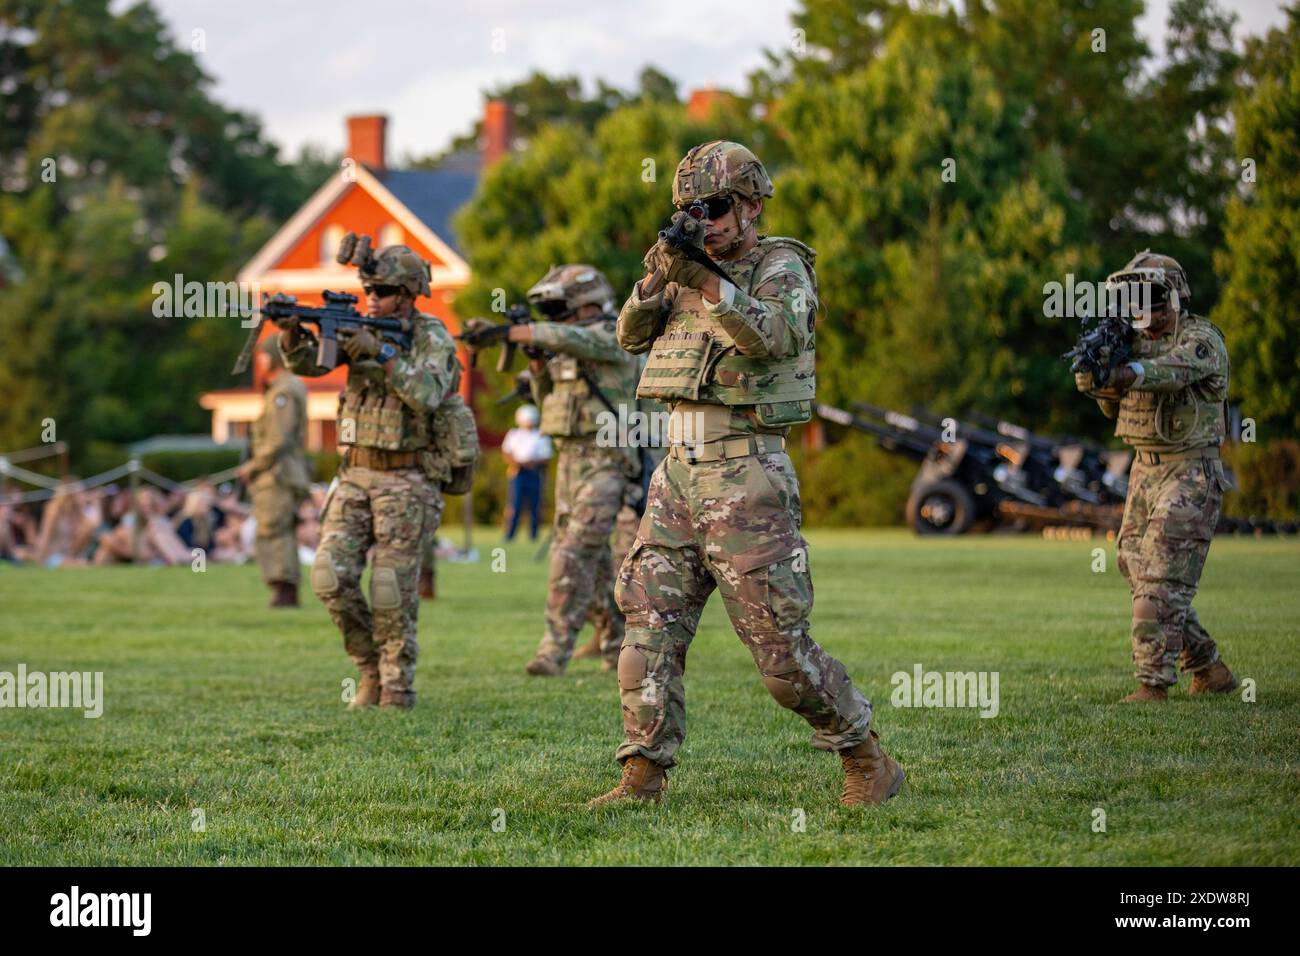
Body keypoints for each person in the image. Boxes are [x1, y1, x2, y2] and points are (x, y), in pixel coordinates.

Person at [589, 140, 904, 808]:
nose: (701, 219)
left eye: (714, 206)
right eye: (688, 209)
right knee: (646, 628)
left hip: (747, 473)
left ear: (752, 203)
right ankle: (642, 775)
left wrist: (708, 282)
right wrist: (656, 279)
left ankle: (867, 757)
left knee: (781, 658)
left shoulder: (778, 266)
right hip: (678, 474)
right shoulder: (680, 269)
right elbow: (629, 335)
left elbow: (778, 338)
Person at [279, 240, 468, 710]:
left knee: (390, 590)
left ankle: (396, 686)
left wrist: (381, 352)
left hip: (407, 479)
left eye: (382, 290)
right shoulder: (360, 325)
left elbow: (427, 392)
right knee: (328, 576)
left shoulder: (432, 337)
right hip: (355, 472)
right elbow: (309, 364)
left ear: (407, 293)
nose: (372, 297)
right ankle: (367, 667)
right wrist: (290, 334)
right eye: (368, 288)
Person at [1074, 250, 1238, 703]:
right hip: (1144, 470)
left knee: (1160, 581)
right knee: (1136, 566)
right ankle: (1208, 666)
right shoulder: (1132, 340)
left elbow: (1171, 372)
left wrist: (1128, 370)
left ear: (1174, 296)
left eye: (1151, 297)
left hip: (1190, 471)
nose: (1143, 309)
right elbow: (1113, 403)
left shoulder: (1200, 337)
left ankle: (1153, 683)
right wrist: (1097, 378)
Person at [466, 265, 640, 677]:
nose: (555, 319)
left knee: (571, 553)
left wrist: (521, 334)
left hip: (610, 460)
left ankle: (553, 650)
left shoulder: (615, 335)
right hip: (570, 461)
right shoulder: (564, 347)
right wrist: (538, 365)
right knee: (594, 560)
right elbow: (547, 402)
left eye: (561, 308)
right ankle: (617, 645)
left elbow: (574, 338)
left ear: (588, 304)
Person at [238, 338, 310, 607]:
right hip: (277, 472)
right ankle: (281, 587)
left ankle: (284, 588)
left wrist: (253, 466)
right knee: (275, 529)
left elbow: (279, 438)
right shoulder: (282, 388)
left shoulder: (284, 391)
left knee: (275, 529)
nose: (261, 361)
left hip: (277, 474)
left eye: (264, 356)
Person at [500, 404, 551, 541]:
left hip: (534, 473)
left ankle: (534, 535)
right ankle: (510, 534)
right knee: (515, 504)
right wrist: (517, 463)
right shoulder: (514, 434)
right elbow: (506, 452)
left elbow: (546, 457)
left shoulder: (541, 435)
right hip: (517, 473)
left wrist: (531, 463)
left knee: (535, 505)